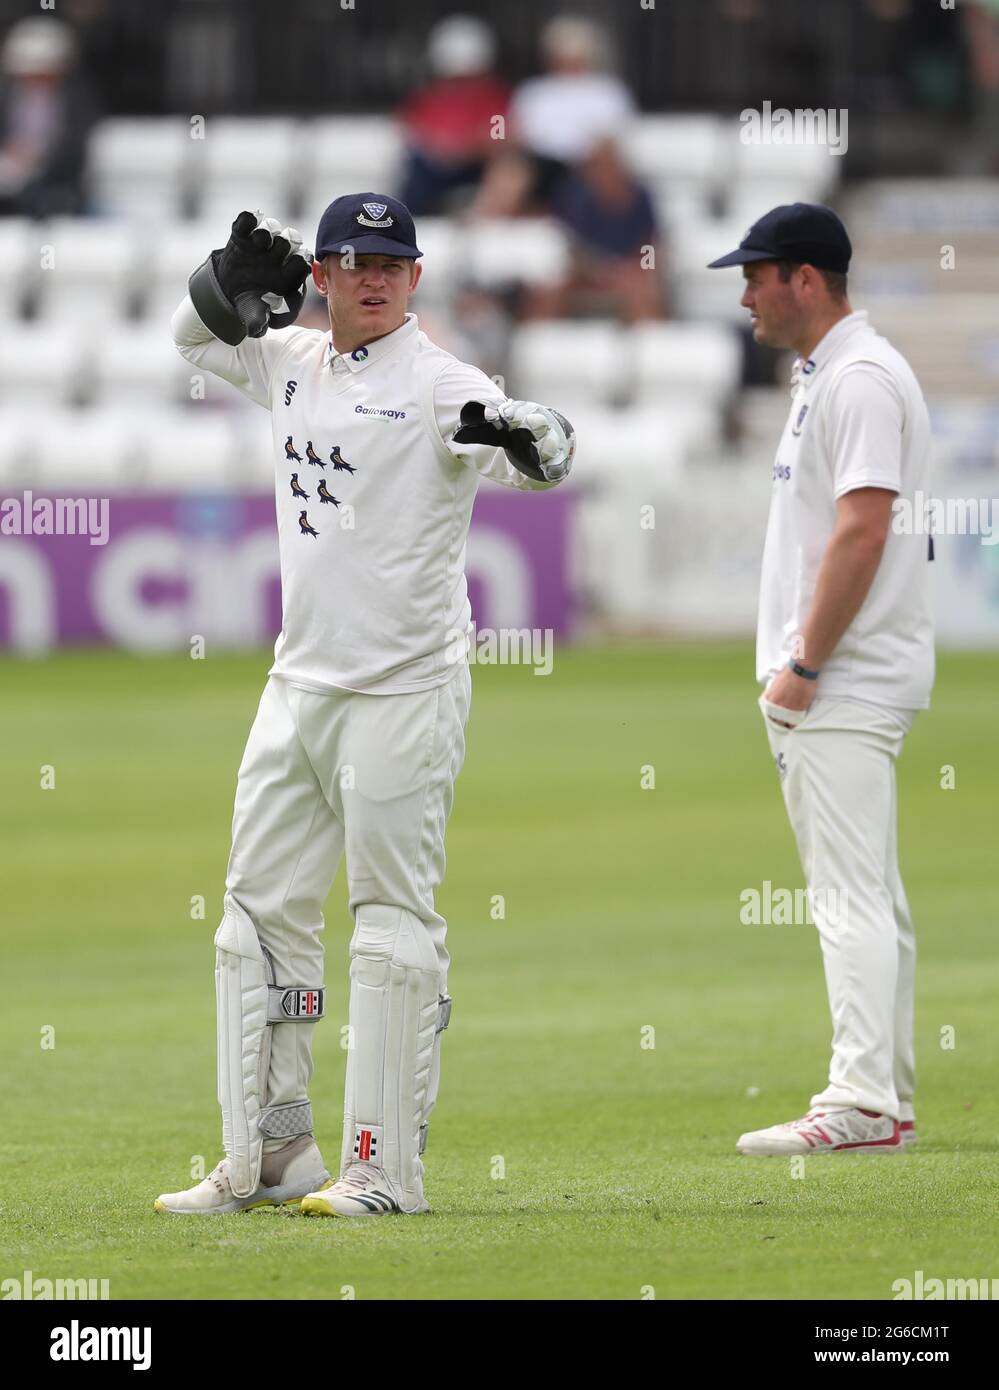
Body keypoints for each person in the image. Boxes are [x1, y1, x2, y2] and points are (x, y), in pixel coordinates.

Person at [154, 194, 574, 1216]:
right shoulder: (288, 359)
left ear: (416, 278)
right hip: (298, 686)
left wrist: (529, 431)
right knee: (254, 924)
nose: (374, 276)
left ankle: (383, 1171)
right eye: (350, 259)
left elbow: (547, 455)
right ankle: (270, 1151)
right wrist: (221, 280)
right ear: (324, 275)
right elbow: (186, 338)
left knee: (388, 924)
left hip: (404, 689)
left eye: (392, 262)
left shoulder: (441, 383)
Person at [707, 203, 934, 1156]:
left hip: (841, 680)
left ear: (805, 278)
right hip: (842, 677)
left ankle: (862, 1100)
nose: (745, 294)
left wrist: (804, 663)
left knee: (844, 895)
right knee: (868, 892)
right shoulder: (829, 376)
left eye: (756, 275)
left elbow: (862, 528)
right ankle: (888, 1089)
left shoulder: (862, 379)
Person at [469, 14, 635, 219]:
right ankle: (487, 220)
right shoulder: (533, 91)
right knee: (511, 167)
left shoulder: (607, 91)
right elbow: (515, 131)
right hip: (539, 164)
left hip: (582, 164)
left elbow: (610, 140)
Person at [396, 14, 510, 216]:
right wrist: (438, 147)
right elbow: (410, 128)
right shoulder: (428, 96)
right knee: (416, 172)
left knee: (506, 166)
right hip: (433, 168)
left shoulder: (494, 96)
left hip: (476, 167)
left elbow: (499, 134)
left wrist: (469, 146)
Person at [0, 16, 97, 219]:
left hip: (55, 186)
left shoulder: (77, 103)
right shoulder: (7, 97)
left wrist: (39, 159)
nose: (35, 79)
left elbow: (75, 149)